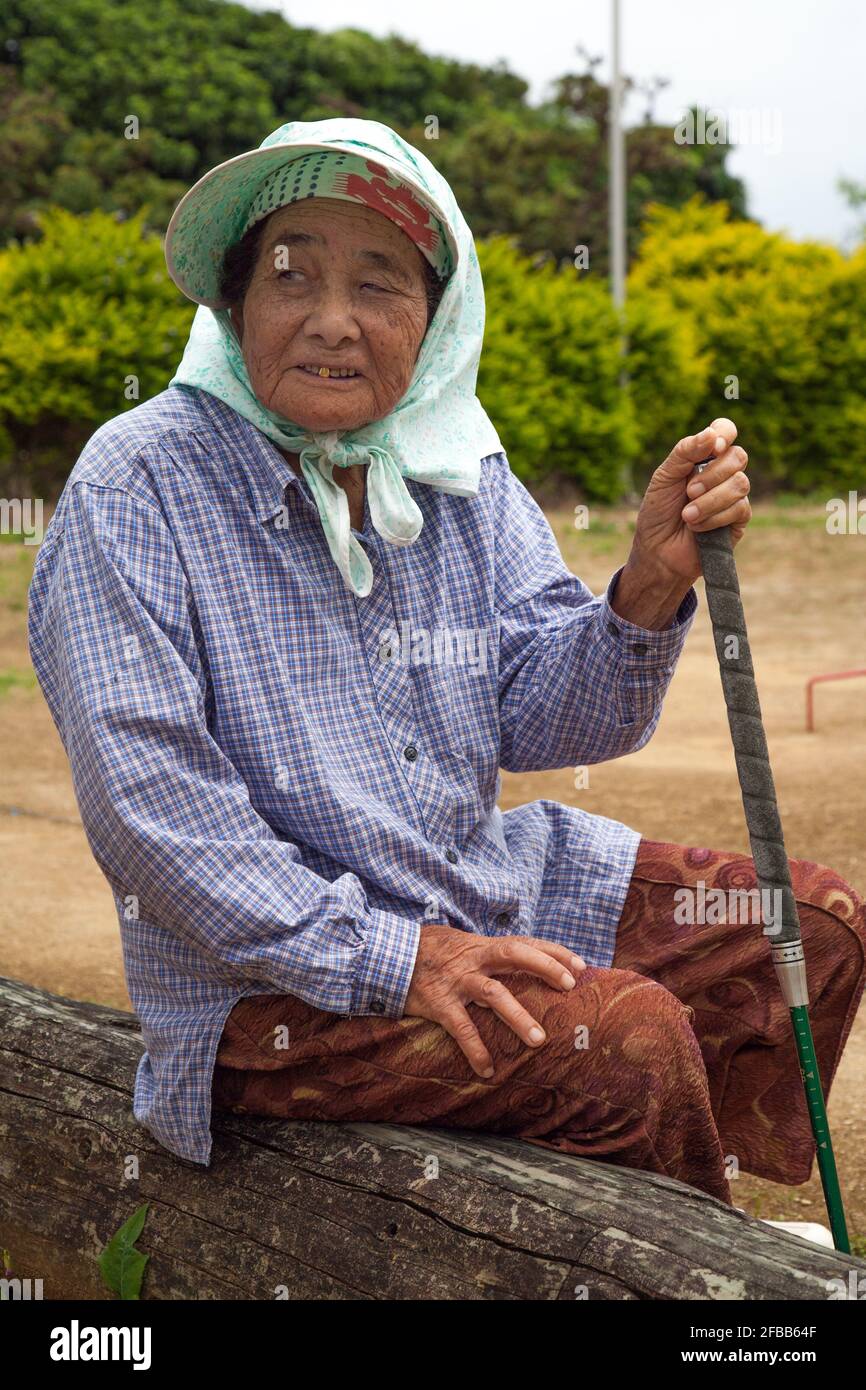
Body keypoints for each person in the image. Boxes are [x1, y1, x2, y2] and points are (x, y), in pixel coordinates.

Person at [28, 119, 865, 1215]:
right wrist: (398, 960)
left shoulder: (449, 466)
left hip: (473, 892)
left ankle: (671, 1204)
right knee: (625, 1041)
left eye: (379, 284)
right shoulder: (134, 485)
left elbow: (547, 716)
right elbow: (155, 818)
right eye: (291, 276)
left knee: (807, 922)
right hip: (267, 990)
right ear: (233, 308)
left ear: (430, 320)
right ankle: (667, 1265)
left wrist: (647, 584)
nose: (334, 321)